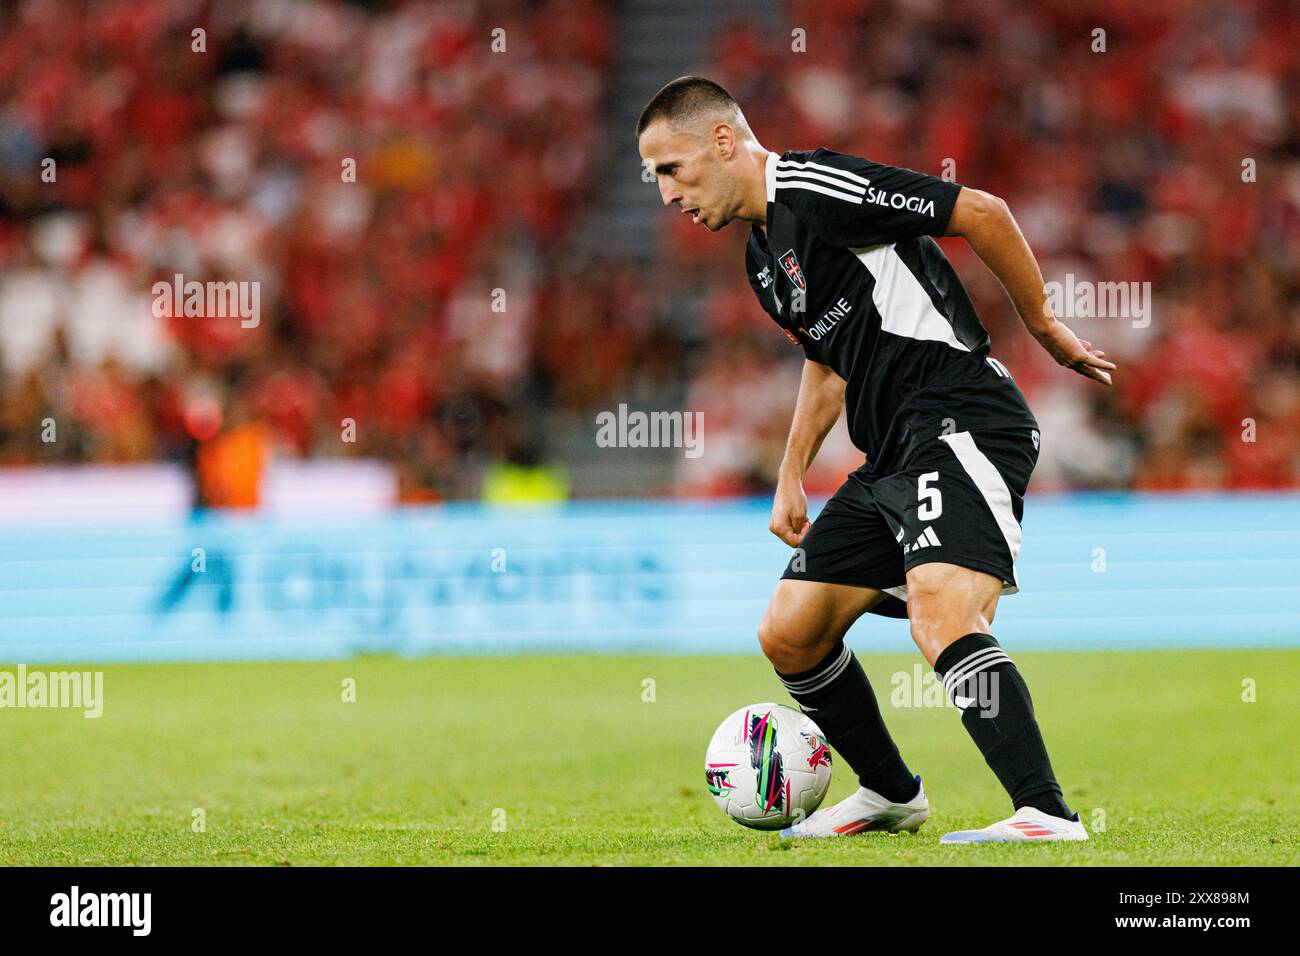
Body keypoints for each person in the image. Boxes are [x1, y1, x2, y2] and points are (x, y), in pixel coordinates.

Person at [636, 76, 1115, 842]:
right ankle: (892, 794)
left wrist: (1046, 325)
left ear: (723, 142)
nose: (665, 194)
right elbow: (830, 365)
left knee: (941, 612)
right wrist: (792, 470)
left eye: (671, 169)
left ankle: (1044, 811)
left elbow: (981, 212)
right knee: (790, 632)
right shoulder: (764, 260)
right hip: (890, 451)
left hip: (960, 417)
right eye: (654, 177)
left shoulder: (814, 185)